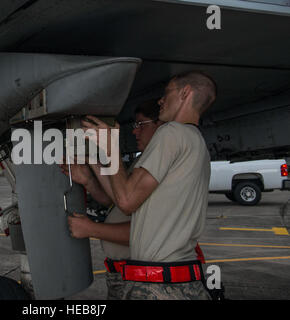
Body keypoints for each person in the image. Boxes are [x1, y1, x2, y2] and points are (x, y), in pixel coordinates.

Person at [79, 70, 217, 300]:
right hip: (180, 279)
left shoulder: (170, 132)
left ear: (185, 93)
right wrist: (92, 164)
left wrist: (111, 147)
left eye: (167, 93)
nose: (162, 100)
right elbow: (124, 196)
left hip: (158, 284)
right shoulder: (195, 141)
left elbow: (126, 201)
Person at [60, 99, 164, 299]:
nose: (134, 131)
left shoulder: (156, 169)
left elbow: (147, 231)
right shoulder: (142, 163)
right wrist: (89, 174)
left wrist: (91, 229)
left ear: (160, 127)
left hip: (142, 278)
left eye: (140, 125)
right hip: (123, 275)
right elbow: (115, 201)